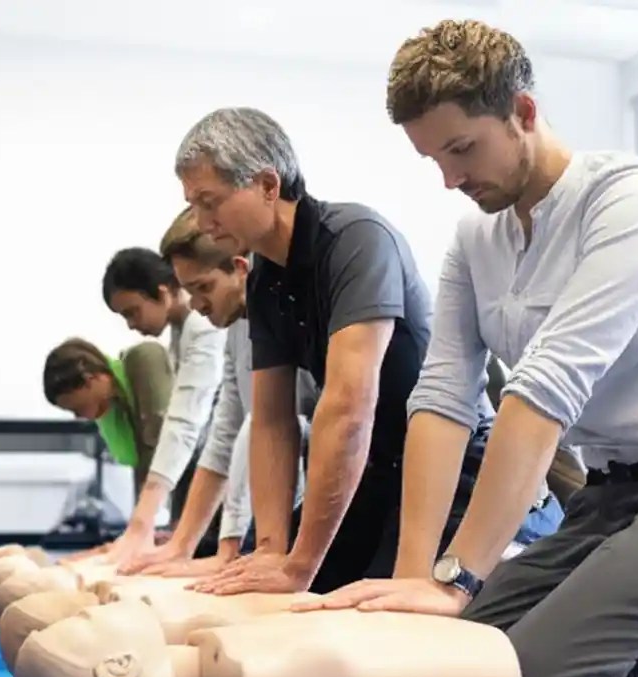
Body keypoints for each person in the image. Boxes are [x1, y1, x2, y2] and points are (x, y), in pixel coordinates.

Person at [314, 20, 638, 677]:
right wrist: (414, 583)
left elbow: (545, 389)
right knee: (462, 660)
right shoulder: (473, 240)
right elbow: (443, 400)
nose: (451, 179)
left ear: (523, 112)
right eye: (434, 160)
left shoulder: (633, 200)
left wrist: (457, 579)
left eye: (462, 149)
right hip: (610, 501)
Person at [172, 107, 498, 597]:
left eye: (209, 202)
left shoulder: (356, 239)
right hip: (376, 471)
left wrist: (299, 565)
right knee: (257, 587)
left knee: (367, 615)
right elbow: (271, 421)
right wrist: (272, 549)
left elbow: (349, 407)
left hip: (454, 469)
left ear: (266, 184)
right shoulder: (263, 278)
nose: (202, 222)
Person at [121, 209, 316, 578]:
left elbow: (267, 423)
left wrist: (236, 548)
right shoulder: (232, 330)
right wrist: (182, 546)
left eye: (204, 288)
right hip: (270, 507)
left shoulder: (286, 311)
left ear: (240, 268)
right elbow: (225, 433)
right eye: (190, 291)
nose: (197, 305)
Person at [96, 246, 226, 567]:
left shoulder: (204, 326)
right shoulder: (181, 333)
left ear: (163, 292)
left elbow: (186, 423)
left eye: (132, 312)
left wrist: (143, 522)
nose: (130, 325)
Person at [43, 337, 174, 499]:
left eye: (78, 408)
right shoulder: (118, 412)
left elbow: (166, 446)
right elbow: (143, 468)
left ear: (89, 378)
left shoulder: (144, 360)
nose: (80, 417)